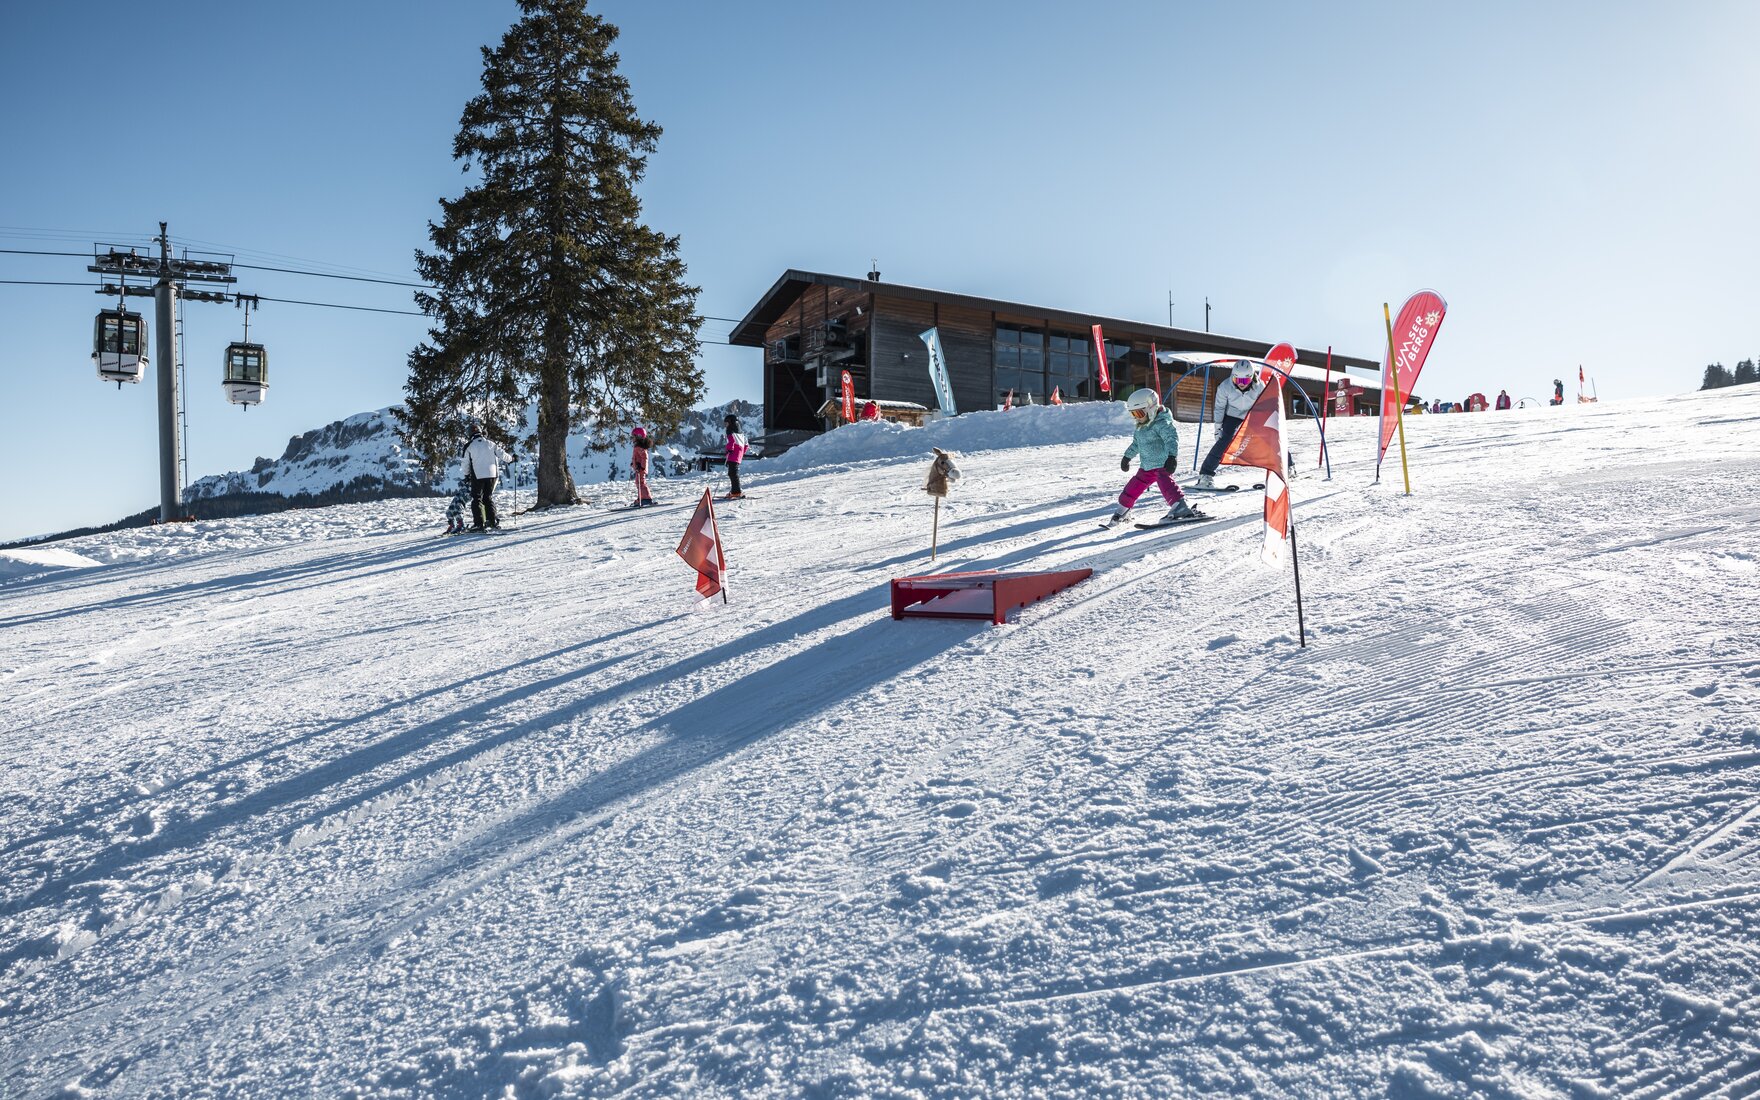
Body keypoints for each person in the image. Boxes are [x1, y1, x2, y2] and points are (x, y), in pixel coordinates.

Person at [1107, 388, 1195, 526]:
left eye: (1139, 413)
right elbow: (1136, 444)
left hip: (1161, 465)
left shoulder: (1161, 423)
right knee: (1133, 486)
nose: (1136, 417)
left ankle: (1180, 506)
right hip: (1146, 467)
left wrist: (1172, 456)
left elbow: (1171, 439)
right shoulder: (1141, 426)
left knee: (1166, 485)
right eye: (1133, 414)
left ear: (1151, 408)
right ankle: (1123, 510)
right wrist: (1127, 457)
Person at [1196, 364, 1266, 489]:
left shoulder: (1260, 387)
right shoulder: (1225, 386)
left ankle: (1287, 467)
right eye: (1237, 380)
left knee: (1269, 436)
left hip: (1253, 415)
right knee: (1225, 440)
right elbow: (1219, 407)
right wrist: (1218, 428)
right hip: (1232, 416)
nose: (1241, 383)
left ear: (1251, 378)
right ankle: (1205, 475)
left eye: (1244, 380)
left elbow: (1267, 405)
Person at [463, 425, 512, 531]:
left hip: (478, 475)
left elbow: (465, 463)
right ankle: (492, 521)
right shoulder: (491, 443)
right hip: (492, 475)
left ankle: (479, 524)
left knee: (477, 499)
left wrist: (466, 475)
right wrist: (512, 459)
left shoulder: (469, 446)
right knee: (488, 498)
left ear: (470, 434)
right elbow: (503, 454)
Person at [723, 414, 748, 499]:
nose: (726, 425)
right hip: (738, 455)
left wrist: (729, 450)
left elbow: (731, 441)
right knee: (733, 473)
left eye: (726, 423)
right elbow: (746, 445)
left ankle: (736, 492)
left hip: (732, 454)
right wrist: (741, 454)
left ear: (731, 422)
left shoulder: (730, 430)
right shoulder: (742, 433)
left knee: (732, 473)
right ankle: (735, 490)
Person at [630, 426, 656, 507]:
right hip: (639, 469)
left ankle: (646, 499)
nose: (632, 438)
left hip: (641, 469)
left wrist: (642, 466)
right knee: (638, 483)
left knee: (641, 483)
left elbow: (644, 457)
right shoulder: (638, 447)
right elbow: (637, 457)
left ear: (639, 437)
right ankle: (641, 498)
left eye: (634, 436)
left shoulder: (640, 448)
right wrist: (633, 463)